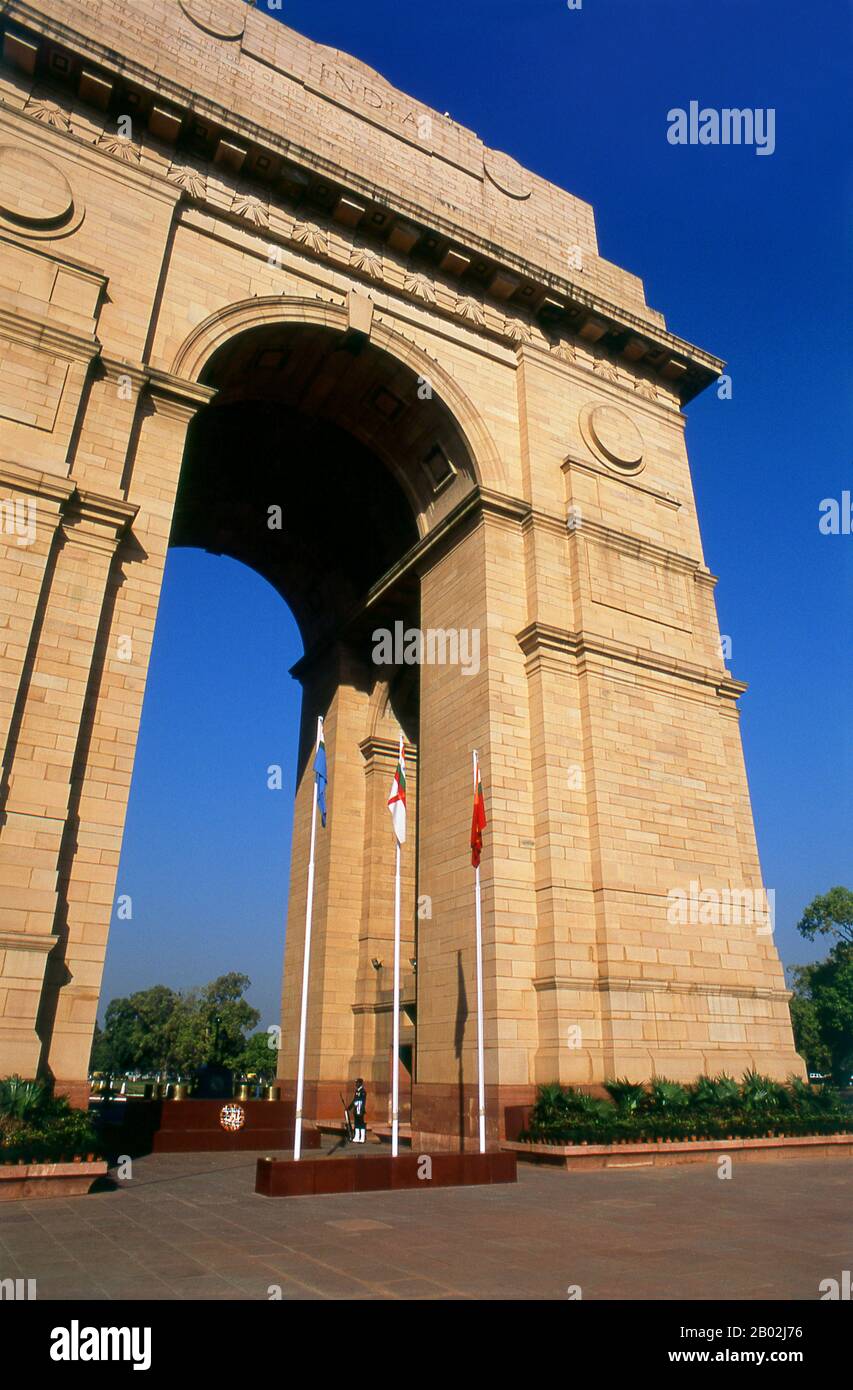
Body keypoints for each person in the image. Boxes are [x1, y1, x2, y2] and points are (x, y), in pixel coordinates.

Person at [348, 1078, 367, 1144]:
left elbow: (362, 1101)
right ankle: (356, 1136)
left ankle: (362, 1137)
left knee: (361, 1123)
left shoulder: (363, 1091)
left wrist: (361, 1109)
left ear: (360, 1083)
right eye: (356, 1083)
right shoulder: (357, 1091)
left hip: (360, 1110)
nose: (356, 1084)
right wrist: (349, 1108)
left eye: (357, 1083)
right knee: (356, 1123)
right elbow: (354, 1100)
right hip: (356, 1110)